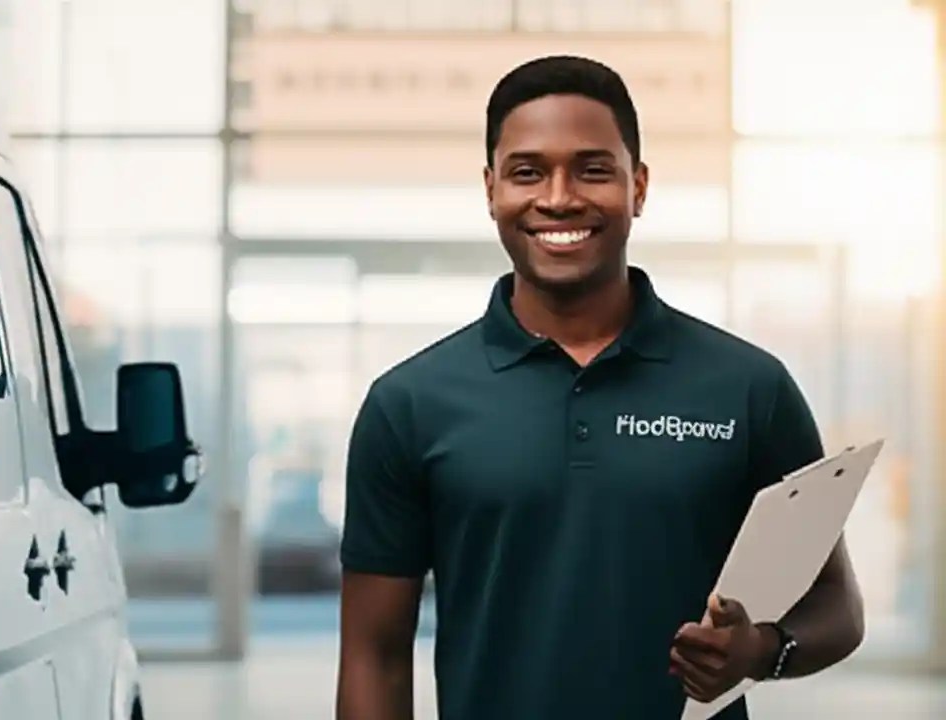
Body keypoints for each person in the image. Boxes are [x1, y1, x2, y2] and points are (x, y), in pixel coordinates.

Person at [334, 55, 866, 720]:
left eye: (593, 169)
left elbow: (836, 605)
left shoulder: (750, 388)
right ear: (490, 188)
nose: (558, 198)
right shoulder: (409, 405)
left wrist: (759, 650)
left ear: (638, 187)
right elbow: (373, 656)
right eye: (527, 172)